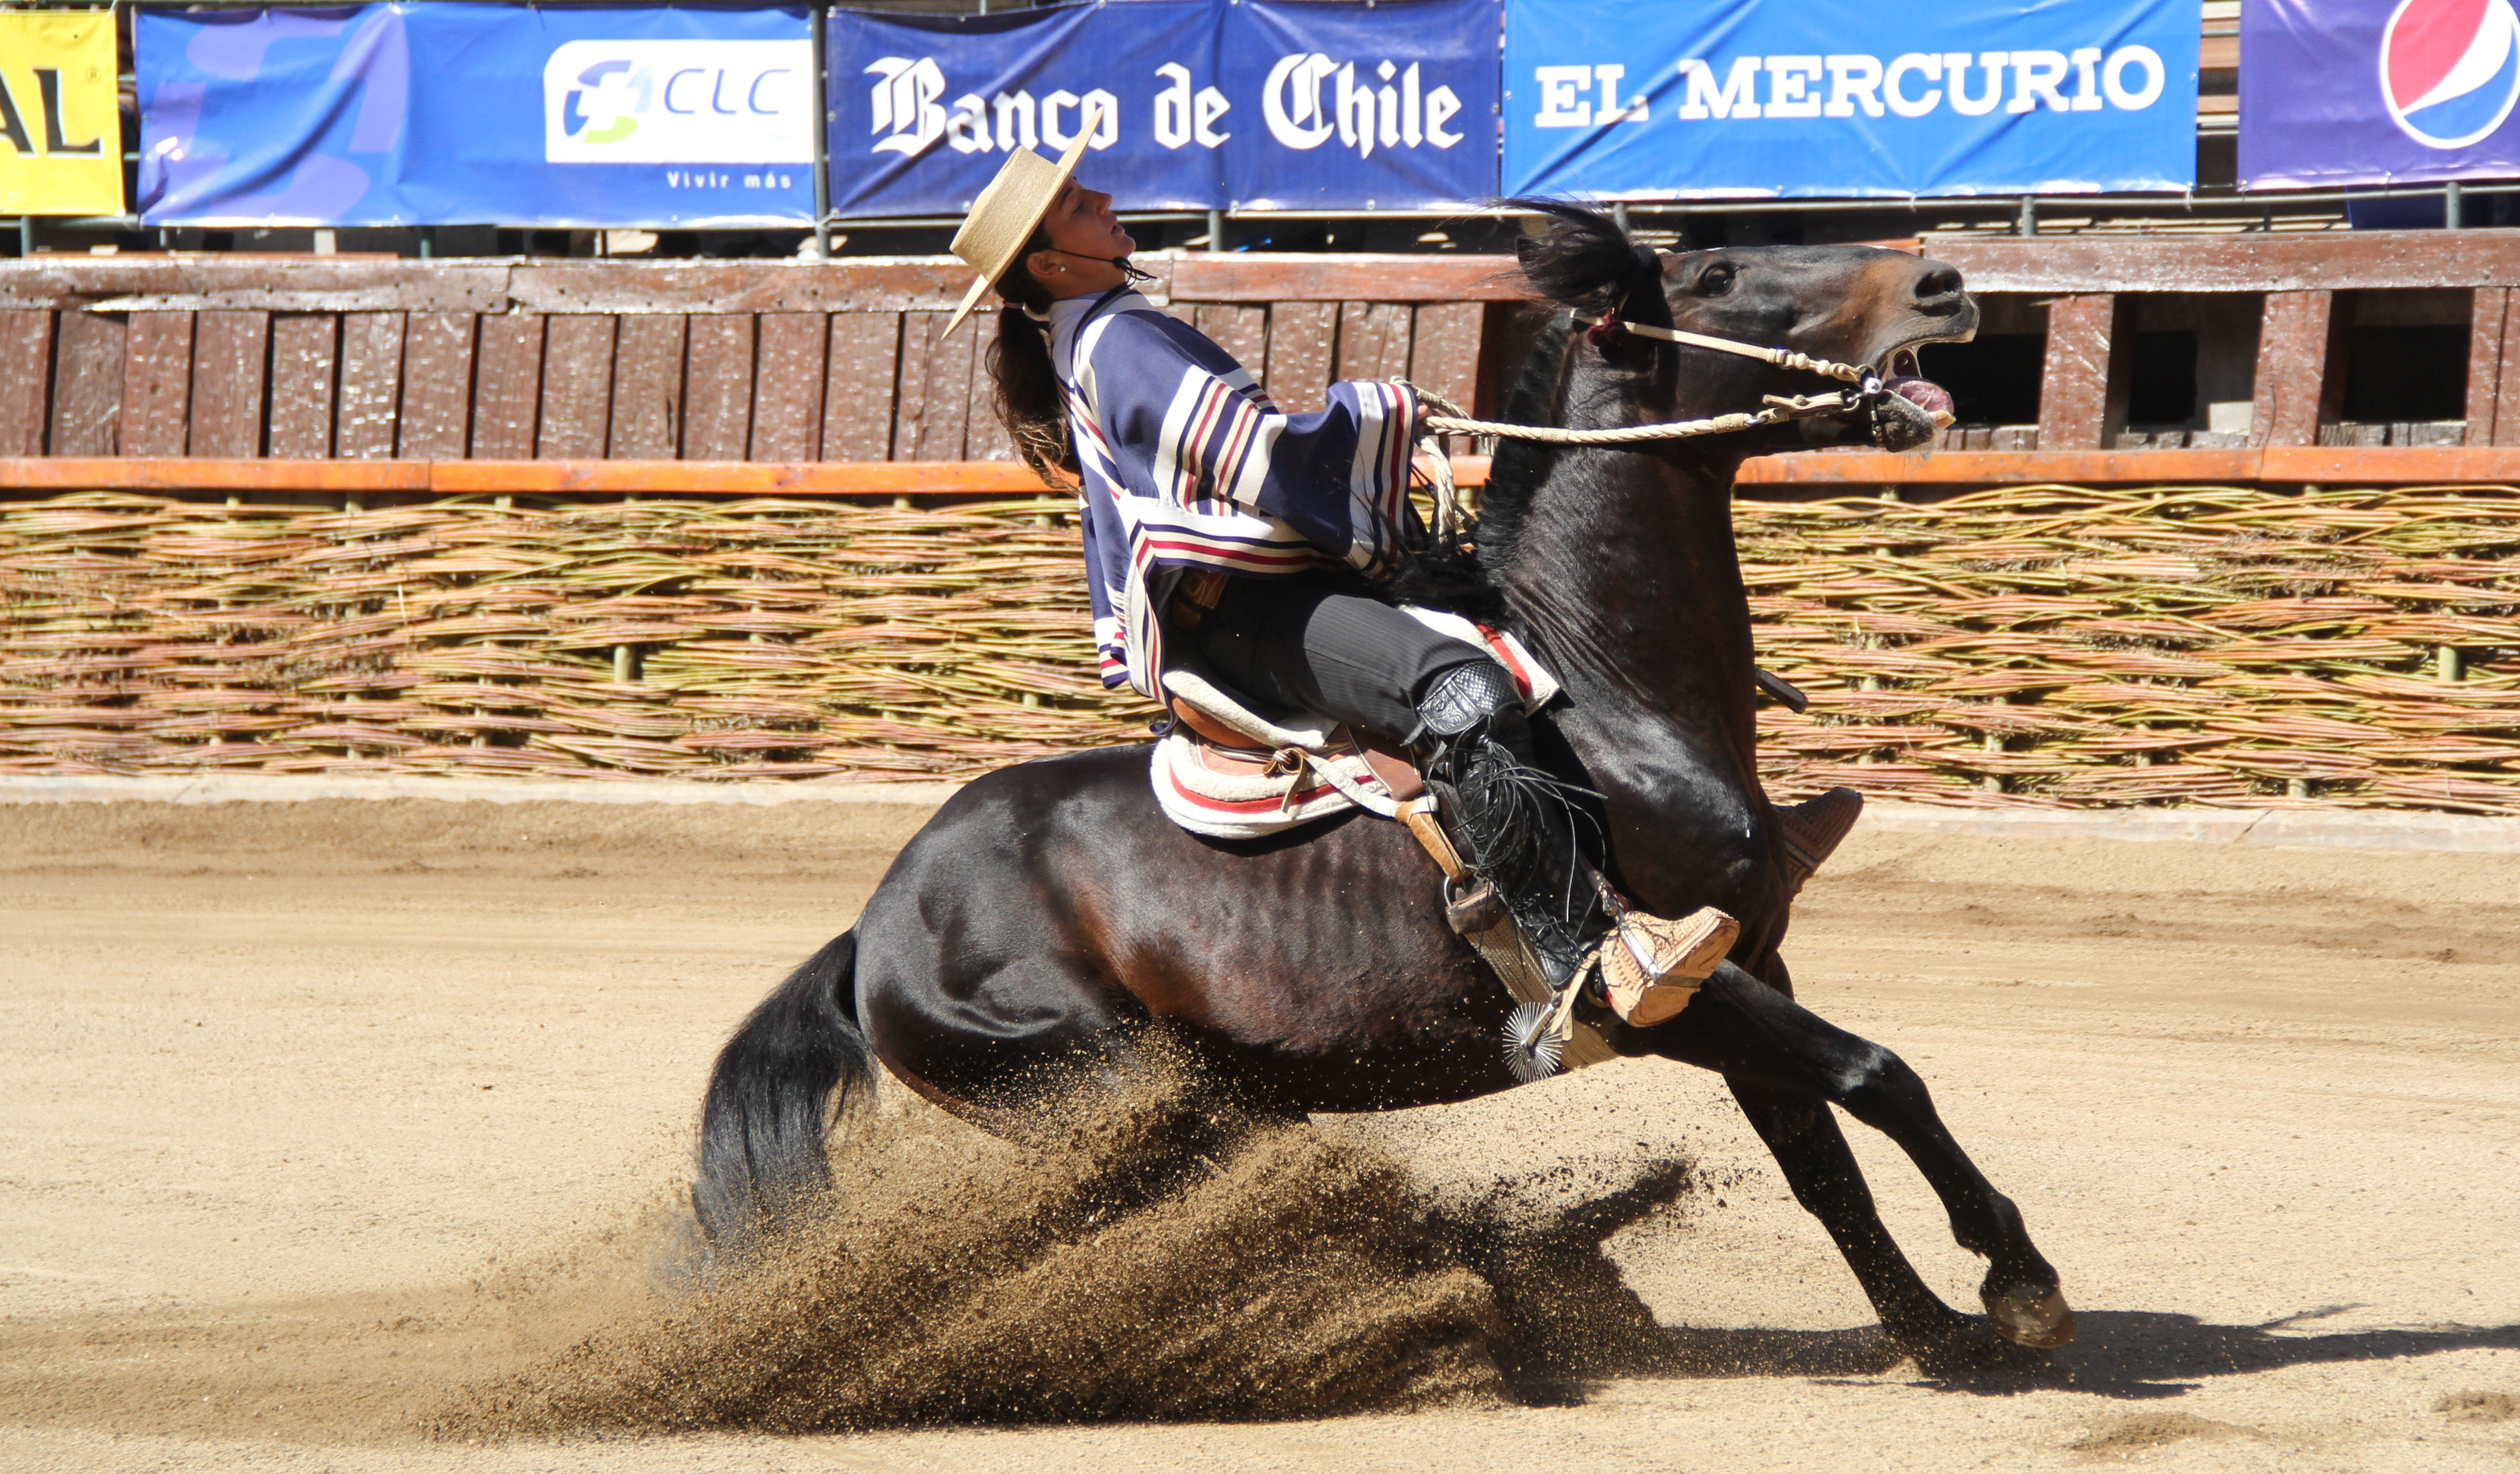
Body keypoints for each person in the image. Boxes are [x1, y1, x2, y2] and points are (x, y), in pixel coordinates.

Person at [942, 128, 1731, 1027]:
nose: (1105, 200)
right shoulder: (1119, 341)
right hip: (1245, 609)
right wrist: (1379, 414)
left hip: (1246, 596)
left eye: (1088, 188)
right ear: (1049, 264)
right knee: (1458, 685)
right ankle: (1586, 948)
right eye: (1080, 204)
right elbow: (1258, 458)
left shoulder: (1099, 335)